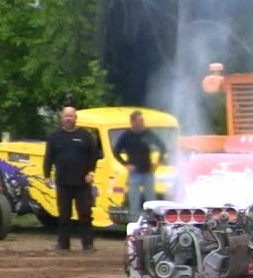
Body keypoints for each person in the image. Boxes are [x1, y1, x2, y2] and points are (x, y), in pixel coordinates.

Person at [43, 106, 100, 251]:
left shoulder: (86, 136)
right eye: (66, 116)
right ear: (62, 118)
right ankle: (63, 244)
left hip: (82, 182)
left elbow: (94, 156)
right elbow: (48, 157)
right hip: (63, 182)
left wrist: (91, 173)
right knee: (63, 215)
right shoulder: (54, 137)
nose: (68, 119)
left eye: (71, 116)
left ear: (76, 118)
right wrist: (47, 175)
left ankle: (88, 244)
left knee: (85, 214)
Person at [113, 110, 166, 221]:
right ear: (132, 122)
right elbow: (116, 151)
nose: (142, 122)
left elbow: (162, 146)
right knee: (134, 204)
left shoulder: (148, 133)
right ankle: (133, 228)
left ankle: (153, 224)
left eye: (143, 120)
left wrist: (158, 161)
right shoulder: (126, 135)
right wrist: (126, 164)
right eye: (140, 120)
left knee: (151, 203)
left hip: (148, 172)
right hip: (134, 174)